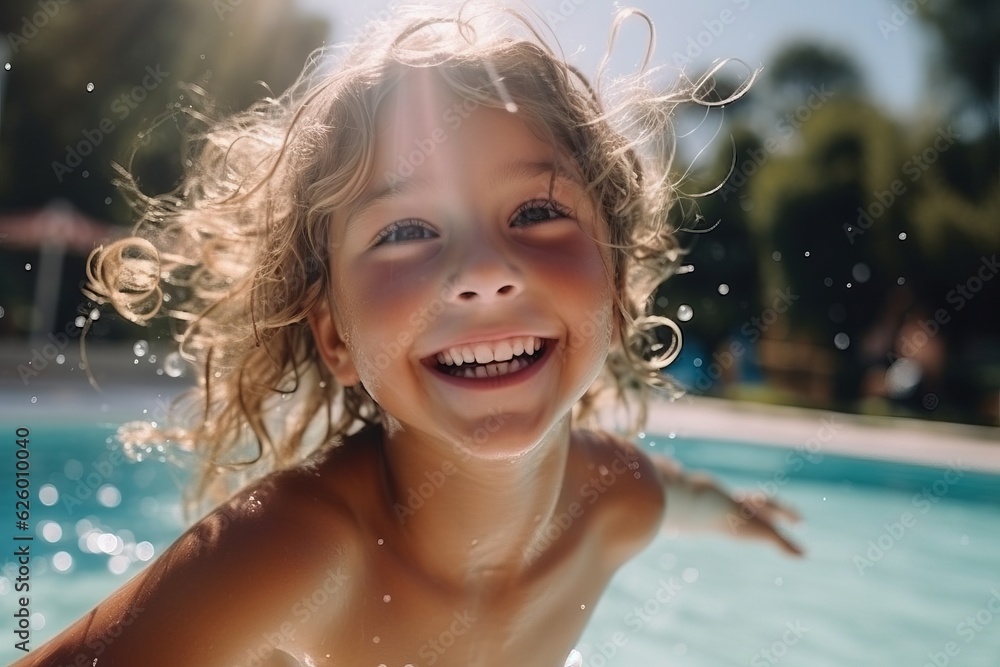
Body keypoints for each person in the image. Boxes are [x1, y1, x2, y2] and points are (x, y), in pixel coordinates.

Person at [17, 3, 801, 666]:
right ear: (335, 338)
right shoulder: (298, 551)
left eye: (537, 212)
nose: (484, 271)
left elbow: (684, 494)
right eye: (408, 229)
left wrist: (744, 510)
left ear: (618, 291)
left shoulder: (613, 499)